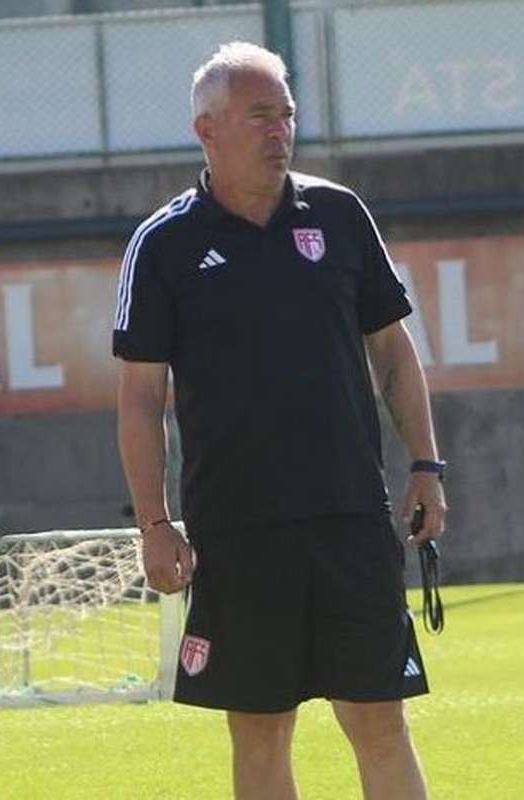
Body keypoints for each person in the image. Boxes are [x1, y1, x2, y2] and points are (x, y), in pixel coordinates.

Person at [113, 41, 445, 800]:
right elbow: (139, 398)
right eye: (260, 115)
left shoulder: (339, 214)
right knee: (261, 732)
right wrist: (154, 524)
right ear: (207, 129)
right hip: (238, 530)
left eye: (287, 114)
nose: (280, 131)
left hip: (349, 517)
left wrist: (426, 465)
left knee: (380, 722)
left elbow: (393, 350)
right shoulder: (163, 244)